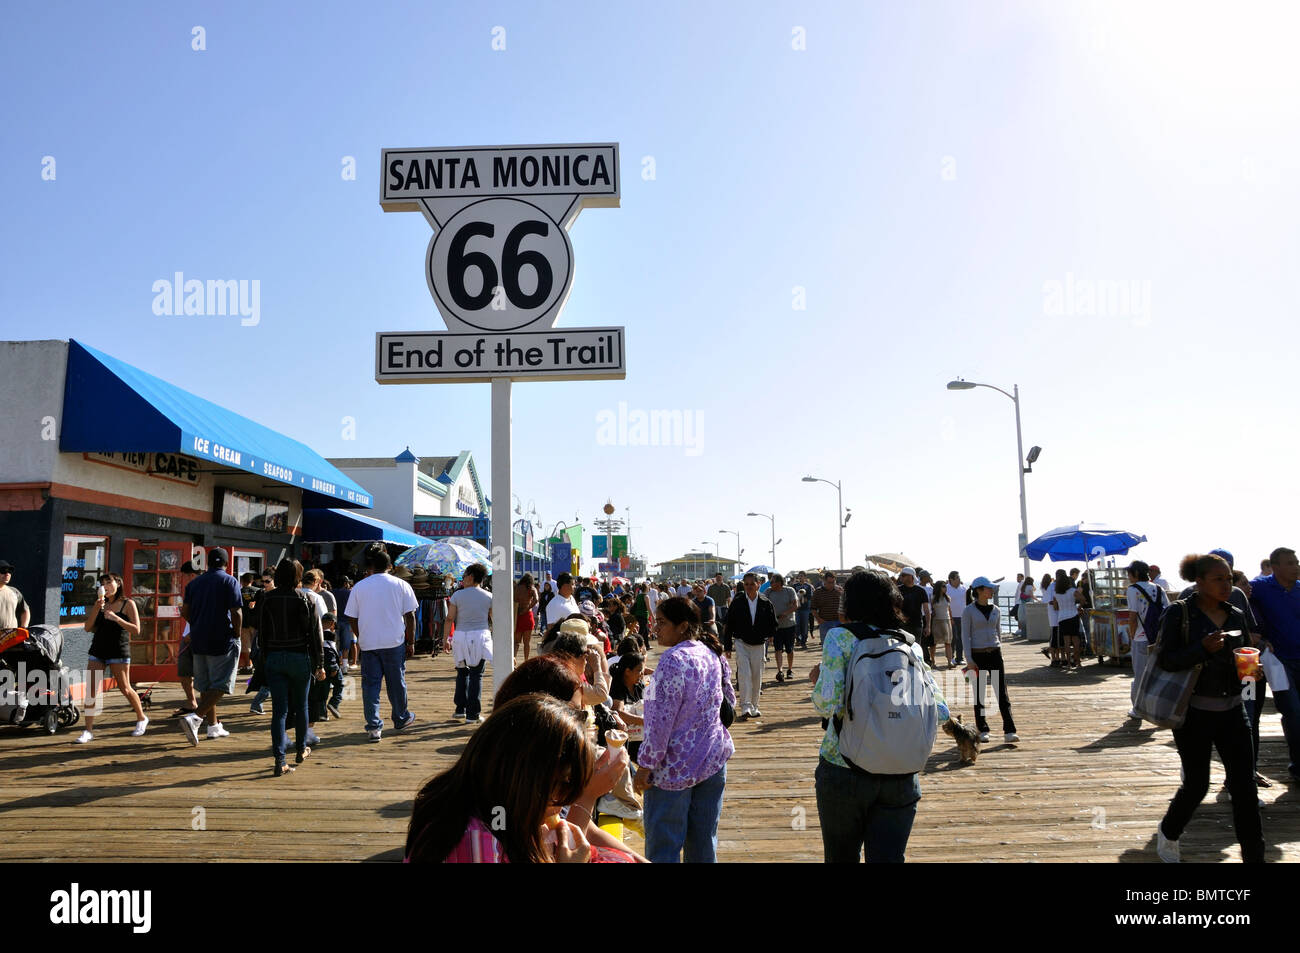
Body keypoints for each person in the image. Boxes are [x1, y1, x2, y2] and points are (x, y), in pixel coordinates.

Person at [808, 570, 948, 862]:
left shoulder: (840, 638)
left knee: (841, 857)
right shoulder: (910, 644)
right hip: (901, 771)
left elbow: (825, 703)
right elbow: (941, 711)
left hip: (844, 766)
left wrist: (819, 678)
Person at [1154, 553, 1263, 863]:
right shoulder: (1179, 613)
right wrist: (1200, 648)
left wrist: (1252, 675)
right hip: (1193, 713)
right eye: (1218, 579)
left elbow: (1245, 665)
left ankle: (1254, 857)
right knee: (1197, 785)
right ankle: (1170, 830)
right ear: (1199, 582)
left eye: (1228, 578)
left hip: (1233, 711)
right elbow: (1166, 659)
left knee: (1245, 789)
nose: (1226, 585)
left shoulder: (1236, 614)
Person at [405, 694, 601, 863]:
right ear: (525, 776)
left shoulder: (493, 813)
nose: (565, 803)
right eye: (564, 783)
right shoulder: (476, 841)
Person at [633, 596, 735, 863]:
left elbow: (658, 724)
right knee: (703, 845)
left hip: (672, 771)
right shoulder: (711, 653)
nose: (655, 628)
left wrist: (644, 766)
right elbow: (730, 702)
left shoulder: (671, 661)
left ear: (682, 626)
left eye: (663, 623)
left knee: (664, 849)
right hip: (711, 761)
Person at [254, 559, 325, 776]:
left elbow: (262, 633)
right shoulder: (306, 598)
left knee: (279, 711)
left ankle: (280, 760)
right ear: (297, 577)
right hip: (299, 657)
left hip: (274, 657)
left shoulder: (266, 599)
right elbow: (315, 635)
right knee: (301, 705)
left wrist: (264, 659)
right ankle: (302, 749)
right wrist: (319, 663)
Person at [344, 548, 418, 743]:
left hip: (369, 644)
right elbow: (410, 616)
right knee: (396, 683)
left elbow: (351, 616)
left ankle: (374, 727)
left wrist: (361, 635)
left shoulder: (359, 587)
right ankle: (401, 718)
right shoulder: (401, 584)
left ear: (370, 567)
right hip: (395, 642)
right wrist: (411, 641)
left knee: (370, 686)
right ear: (390, 567)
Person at [179, 548, 243, 746]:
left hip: (199, 640)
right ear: (226, 564)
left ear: (207, 563)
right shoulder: (230, 581)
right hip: (222, 639)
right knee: (222, 684)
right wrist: (236, 633)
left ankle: (213, 726)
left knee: (206, 685)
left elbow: (185, 612)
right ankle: (196, 717)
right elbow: (237, 612)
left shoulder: (194, 583)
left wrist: (198, 625)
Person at [76, 573, 148, 743]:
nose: (105, 585)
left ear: (118, 584)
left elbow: (136, 630)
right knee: (91, 691)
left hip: (118, 651)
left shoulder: (128, 604)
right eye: (103, 583)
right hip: (98, 650)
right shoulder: (100, 604)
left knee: (125, 688)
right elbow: (87, 628)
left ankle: (141, 717)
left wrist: (116, 618)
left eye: (109, 582)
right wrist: (96, 608)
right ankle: (88, 730)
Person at [1249, 547, 1300, 781]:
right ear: (1275, 566)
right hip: (1280, 663)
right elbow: (1237, 604)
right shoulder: (1259, 588)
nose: (1296, 566)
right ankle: (1298, 766)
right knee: (1292, 712)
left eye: (1296, 561)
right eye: (1290, 563)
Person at [961, 576, 1019, 744]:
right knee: (978, 693)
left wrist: (999, 649)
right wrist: (969, 659)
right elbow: (965, 636)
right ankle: (983, 729)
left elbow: (998, 633)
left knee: (1001, 692)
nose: (991, 590)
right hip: (977, 655)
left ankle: (1010, 730)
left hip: (994, 653)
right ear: (979, 590)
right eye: (988, 588)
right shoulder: (969, 611)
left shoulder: (996, 610)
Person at [723, 572, 777, 718]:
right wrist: (727, 646)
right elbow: (728, 624)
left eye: (752, 584)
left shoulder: (766, 602)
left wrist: (769, 635)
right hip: (741, 642)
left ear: (758, 584)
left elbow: (773, 623)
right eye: (746, 584)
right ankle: (745, 706)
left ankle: (754, 706)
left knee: (756, 675)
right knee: (744, 674)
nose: (749, 587)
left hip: (759, 644)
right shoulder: (738, 601)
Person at [448, 563, 493, 724]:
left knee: (462, 672)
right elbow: (493, 618)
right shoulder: (489, 596)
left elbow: (450, 618)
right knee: (476, 674)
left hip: (460, 636)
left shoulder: (457, 596)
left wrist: (446, 638)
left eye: (465, 575)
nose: (463, 578)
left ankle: (460, 709)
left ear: (471, 577)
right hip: (480, 635)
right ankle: (473, 714)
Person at [1125, 560, 1165, 720]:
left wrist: (1132, 636)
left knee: (1140, 674)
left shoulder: (1132, 590)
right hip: (1157, 638)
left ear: (1135, 573)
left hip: (1141, 638)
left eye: (1129, 574)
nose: (1128, 577)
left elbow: (1132, 616)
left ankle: (1138, 709)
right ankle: (1158, 707)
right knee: (1158, 674)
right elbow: (1166, 611)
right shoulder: (1159, 588)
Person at [170, 561, 201, 719]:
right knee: (183, 671)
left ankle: (207, 711)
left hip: (200, 636)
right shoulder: (190, 589)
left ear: (192, 575)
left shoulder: (203, 589)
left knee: (203, 674)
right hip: (187, 635)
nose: (183, 580)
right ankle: (191, 702)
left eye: (184, 576)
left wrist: (194, 632)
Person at [609, 652, 646, 763]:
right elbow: (619, 713)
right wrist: (644, 721)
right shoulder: (617, 688)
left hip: (641, 738)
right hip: (628, 742)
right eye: (639, 670)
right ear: (627, 671)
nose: (642, 674)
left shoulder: (639, 686)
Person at [766, 574, 799, 682]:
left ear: (780, 582)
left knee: (789, 649)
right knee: (778, 649)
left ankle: (789, 669)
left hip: (789, 624)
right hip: (776, 626)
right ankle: (780, 671)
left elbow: (796, 605)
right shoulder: (768, 592)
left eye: (773, 582)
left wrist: (785, 613)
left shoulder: (789, 591)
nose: (771, 584)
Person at [897, 568, 932, 665]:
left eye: (903, 575)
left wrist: (928, 626)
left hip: (916, 625)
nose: (901, 577)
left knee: (915, 650)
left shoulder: (920, 591)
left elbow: (926, 610)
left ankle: (917, 672)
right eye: (901, 575)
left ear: (911, 576)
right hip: (901, 626)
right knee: (902, 650)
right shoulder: (897, 590)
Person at [1051, 570, 1082, 669]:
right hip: (1073, 615)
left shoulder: (1056, 594)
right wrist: (1079, 607)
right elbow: (1083, 599)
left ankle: (1068, 663)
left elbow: (1055, 608)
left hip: (1062, 618)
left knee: (1066, 642)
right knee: (1076, 640)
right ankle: (1078, 662)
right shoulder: (1073, 591)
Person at [811, 571, 842, 644]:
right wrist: (819, 619)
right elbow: (813, 608)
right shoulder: (818, 592)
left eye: (833, 582)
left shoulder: (839, 591)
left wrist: (842, 593)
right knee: (826, 647)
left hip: (839, 623)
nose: (831, 584)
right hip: (825, 623)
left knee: (840, 647)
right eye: (829, 582)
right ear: (824, 581)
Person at [513, 572, 538, 661]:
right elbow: (536, 599)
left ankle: (514, 659)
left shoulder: (516, 588)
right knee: (526, 643)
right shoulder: (531, 588)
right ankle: (526, 660)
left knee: (516, 642)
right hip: (528, 615)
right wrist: (528, 608)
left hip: (518, 615)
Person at [0, 560, 30, 630]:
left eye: (9, 571)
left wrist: (24, 627)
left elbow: (25, 610)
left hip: (12, 638)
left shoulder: (14, 592)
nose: (7, 574)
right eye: (3, 570)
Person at [930, 580, 953, 669]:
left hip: (946, 620)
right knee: (934, 643)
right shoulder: (933, 597)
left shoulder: (947, 597)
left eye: (945, 586)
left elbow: (949, 609)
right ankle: (933, 661)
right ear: (939, 587)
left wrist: (951, 619)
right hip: (937, 621)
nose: (945, 588)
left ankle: (949, 661)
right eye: (943, 586)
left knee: (948, 642)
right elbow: (931, 609)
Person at [948, 572, 968, 665]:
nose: (959, 579)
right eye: (957, 578)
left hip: (962, 616)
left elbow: (967, 601)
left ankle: (959, 658)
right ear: (951, 579)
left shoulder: (963, 588)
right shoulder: (946, 588)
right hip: (950, 617)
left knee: (961, 638)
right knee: (953, 638)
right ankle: (951, 657)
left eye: (959, 577)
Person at [793, 571, 814, 649]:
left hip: (805, 608)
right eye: (799, 576)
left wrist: (804, 598)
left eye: (802, 576)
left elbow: (810, 596)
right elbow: (793, 595)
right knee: (797, 625)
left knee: (804, 626)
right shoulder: (795, 586)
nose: (800, 577)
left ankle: (803, 642)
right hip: (797, 608)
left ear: (805, 577)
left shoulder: (808, 586)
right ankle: (798, 639)